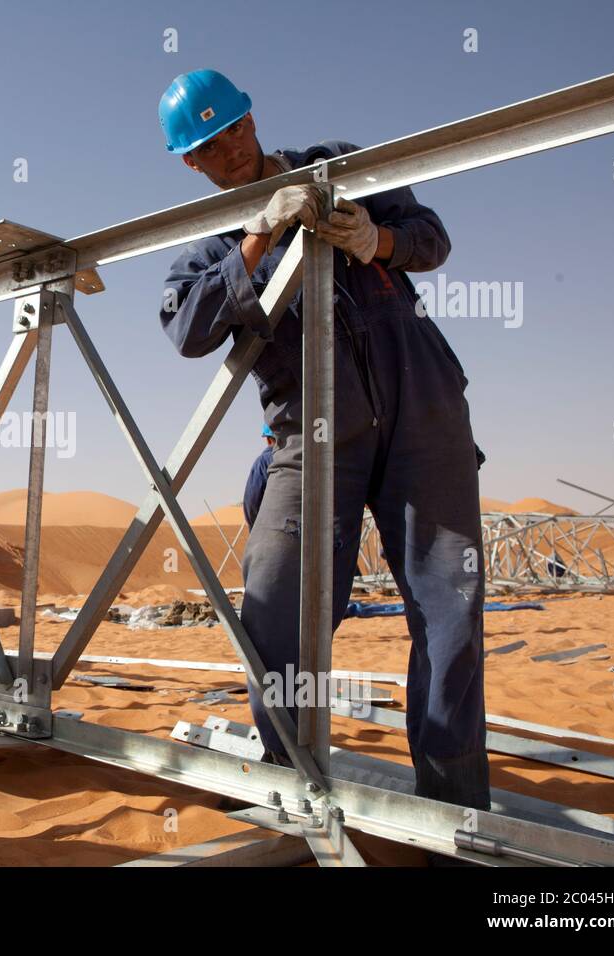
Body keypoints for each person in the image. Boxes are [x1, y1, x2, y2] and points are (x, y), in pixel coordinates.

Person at [157, 70, 490, 809]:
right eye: (212, 145)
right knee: (278, 606)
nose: (232, 149)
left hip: (422, 410)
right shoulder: (204, 244)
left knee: (451, 609)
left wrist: (380, 240)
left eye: (237, 129)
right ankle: (293, 784)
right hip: (307, 427)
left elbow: (431, 239)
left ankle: (457, 811)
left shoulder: (339, 163)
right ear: (191, 161)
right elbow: (186, 327)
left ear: (253, 117)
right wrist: (257, 235)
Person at [242, 423, 276, 529]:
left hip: (273, 532)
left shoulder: (264, 462)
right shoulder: (307, 458)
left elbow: (252, 502)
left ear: (268, 439)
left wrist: (256, 530)